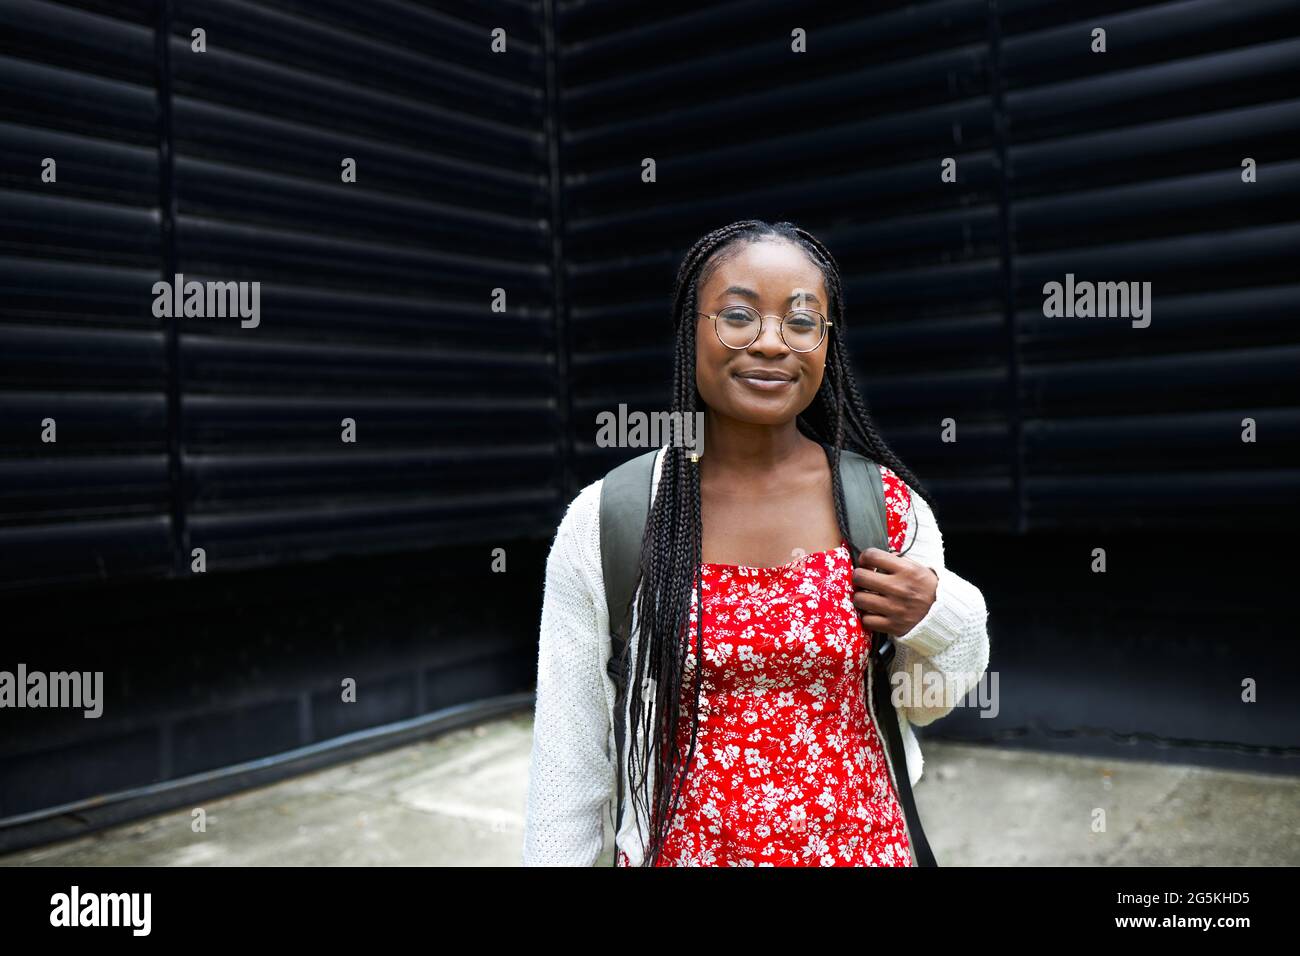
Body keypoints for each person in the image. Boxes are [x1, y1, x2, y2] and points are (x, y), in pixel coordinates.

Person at [523, 219, 989, 867]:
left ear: (827, 345)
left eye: (802, 323)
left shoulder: (883, 506)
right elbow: (568, 760)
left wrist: (941, 616)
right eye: (738, 317)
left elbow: (927, 705)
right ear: (693, 330)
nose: (772, 344)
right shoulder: (613, 519)